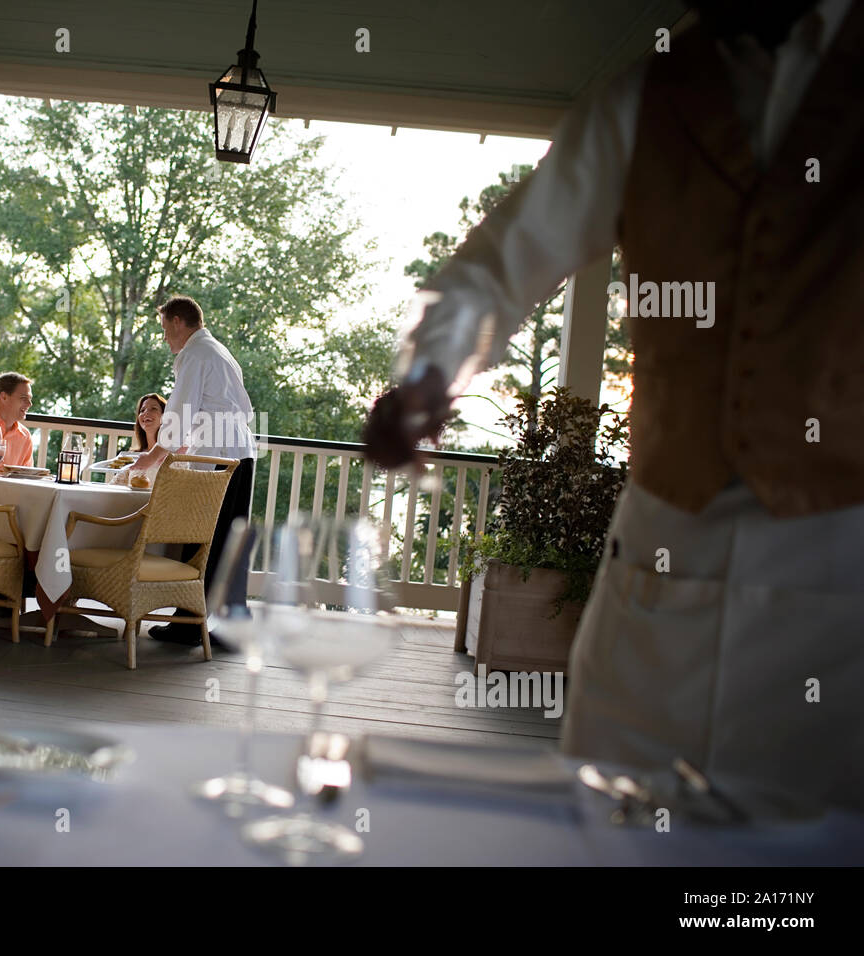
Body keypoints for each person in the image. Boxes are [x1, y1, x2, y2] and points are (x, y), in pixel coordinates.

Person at [364, 0, 864, 811]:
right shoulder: (647, 96)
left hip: (839, 579)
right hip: (660, 572)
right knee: (603, 825)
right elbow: (504, 259)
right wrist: (429, 375)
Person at [131, 296, 257, 648]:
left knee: (201, 535)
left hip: (219, 454)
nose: (165, 339)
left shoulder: (195, 354)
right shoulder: (218, 350)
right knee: (228, 539)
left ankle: (189, 624)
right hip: (239, 452)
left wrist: (153, 455)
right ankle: (223, 623)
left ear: (176, 322)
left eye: (164, 330)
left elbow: (181, 410)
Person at [108, 392, 171, 487]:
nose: (146, 413)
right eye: (142, 410)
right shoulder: (133, 456)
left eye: (153, 408)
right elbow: (113, 487)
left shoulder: (172, 455)